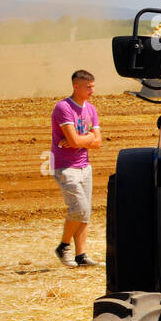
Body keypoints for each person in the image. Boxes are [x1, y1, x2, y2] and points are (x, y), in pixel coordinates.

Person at [51, 70, 102, 267]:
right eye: (88, 87)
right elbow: (75, 139)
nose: (92, 90)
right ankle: (63, 246)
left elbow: (98, 142)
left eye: (93, 86)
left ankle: (81, 256)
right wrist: (87, 138)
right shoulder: (63, 108)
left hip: (84, 166)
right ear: (76, 86)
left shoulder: (91, 109)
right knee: (79, 209)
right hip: (66, 167)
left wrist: (83, 140)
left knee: (85, 212)